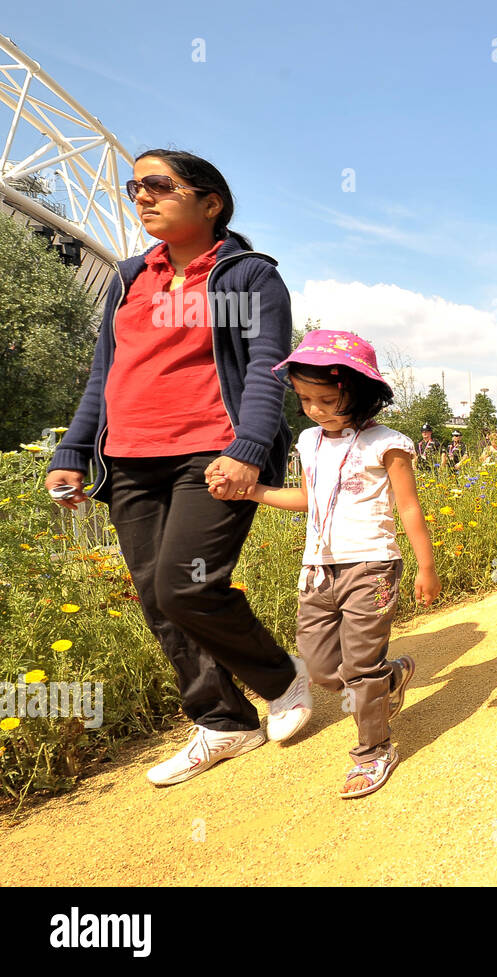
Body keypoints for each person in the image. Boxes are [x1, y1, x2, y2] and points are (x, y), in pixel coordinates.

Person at [43, 148, 312, 786]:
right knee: (156, 598)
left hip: (210, 454)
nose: (141, 196)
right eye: (135, 186)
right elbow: (104, 374)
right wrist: (73, 450)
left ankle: (282, 677)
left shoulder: (246, 277)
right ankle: (224, 722)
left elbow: (270, 366)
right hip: (130, 458)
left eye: (159, 185)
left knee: (186, 586)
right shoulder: (131, 276)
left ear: (210, 202)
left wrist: (248, 449)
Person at [220, 329, 441, 798]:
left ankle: (374, 750)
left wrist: (426, 566)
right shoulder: (308, 441)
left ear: (357, 395)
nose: (315, 409)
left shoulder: (388, 443)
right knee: (321, 669)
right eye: (305, 399)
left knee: (359, 669)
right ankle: (393, 677)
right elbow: (309, 498)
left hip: (372, 568)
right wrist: (255, 491)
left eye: (326, 399)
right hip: (318, 570)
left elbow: (409, 509)